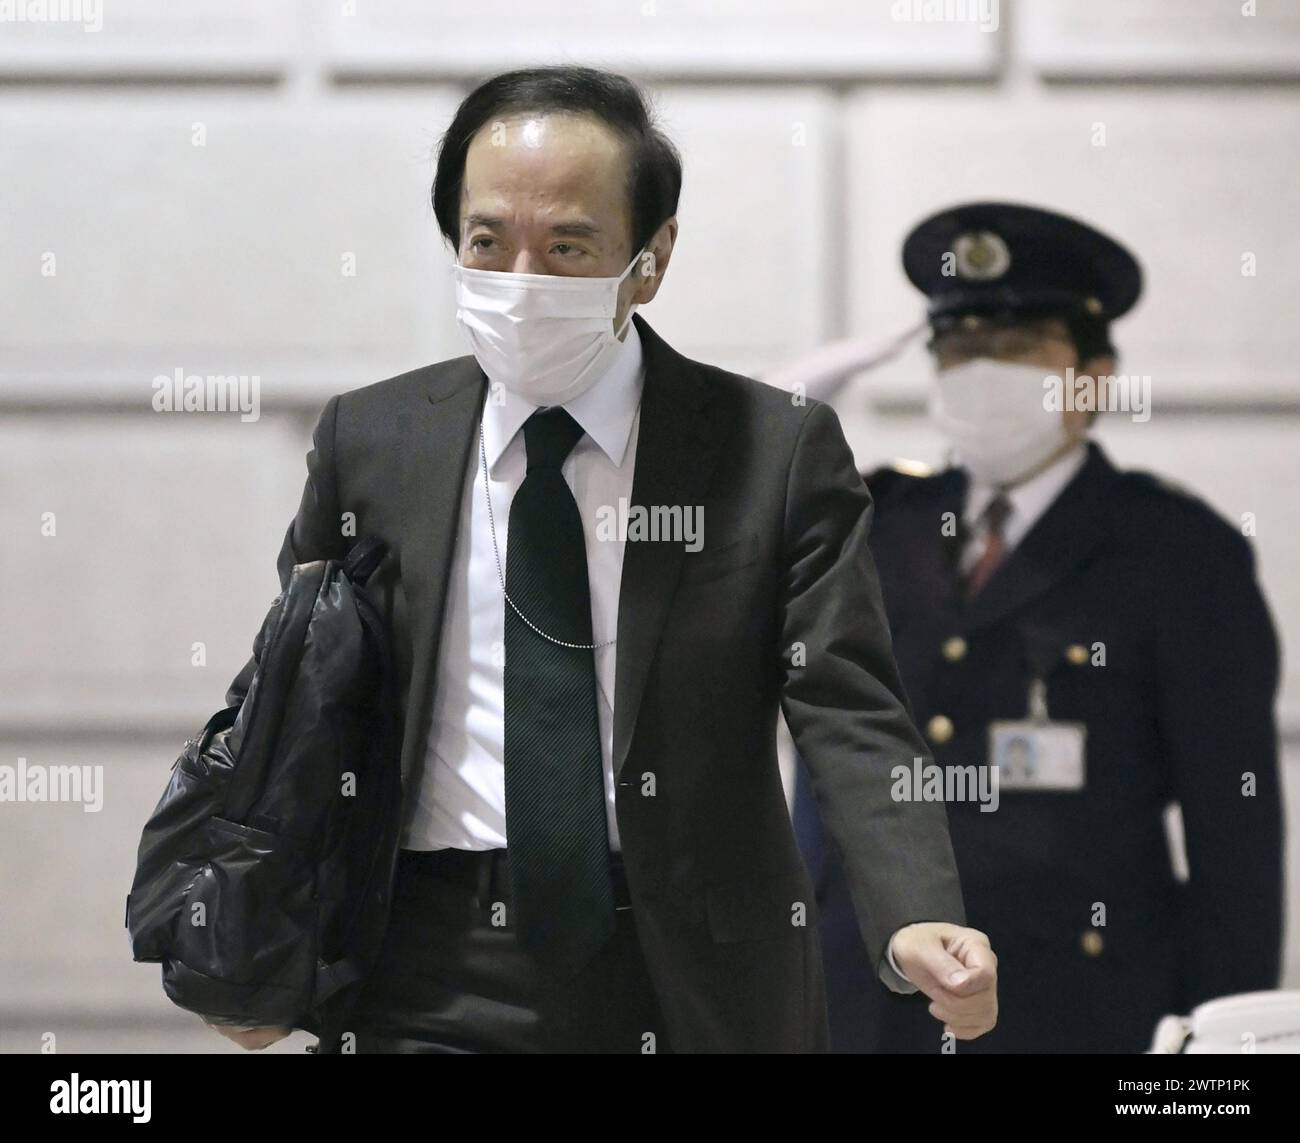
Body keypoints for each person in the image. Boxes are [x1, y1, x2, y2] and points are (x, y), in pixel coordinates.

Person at [207, 67, 997, 1054]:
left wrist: (915, 910)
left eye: (568, 246)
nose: (522, 279)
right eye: (488, 242)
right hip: (422, 959)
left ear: (650, 258)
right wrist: (246, 930)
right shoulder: (374, 440)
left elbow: (848, 707)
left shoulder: (770, 450)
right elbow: (295, 699)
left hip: (688, 966)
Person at [794, 201, 1284, 1053]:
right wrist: (769, 439)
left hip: (1075, 1009)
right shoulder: (874, 520)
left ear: (1092, 377)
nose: (980, 371)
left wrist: (1218, 1061)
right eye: (959, 348)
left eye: (1016, 349)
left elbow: (1233, 836)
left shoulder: (1173, 551)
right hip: (865, 1000)